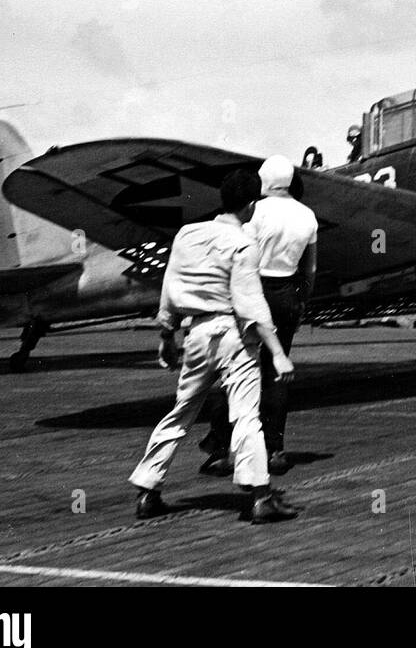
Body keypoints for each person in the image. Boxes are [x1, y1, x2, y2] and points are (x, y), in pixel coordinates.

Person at [129, 169, 298, 524]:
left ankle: (148, 489)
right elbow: (251, 305)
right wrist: (280, 354)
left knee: (181, 412)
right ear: (251, 205)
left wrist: (167, 336)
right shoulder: (243, 245)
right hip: (233, 335)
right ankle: (261, 498)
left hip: (196, 334)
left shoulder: (186, 234)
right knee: (246, 416)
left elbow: (170, 288)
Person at [201, 156, 318, 477]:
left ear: (264, 182)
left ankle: (222, 451)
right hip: (287, 294)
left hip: (252, 290)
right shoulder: (308, 216)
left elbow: (234, 251)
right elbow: (310, 268)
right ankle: (275, 451)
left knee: (236, 371)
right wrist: (302, 299)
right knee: (276, 374)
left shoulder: (254, 211)